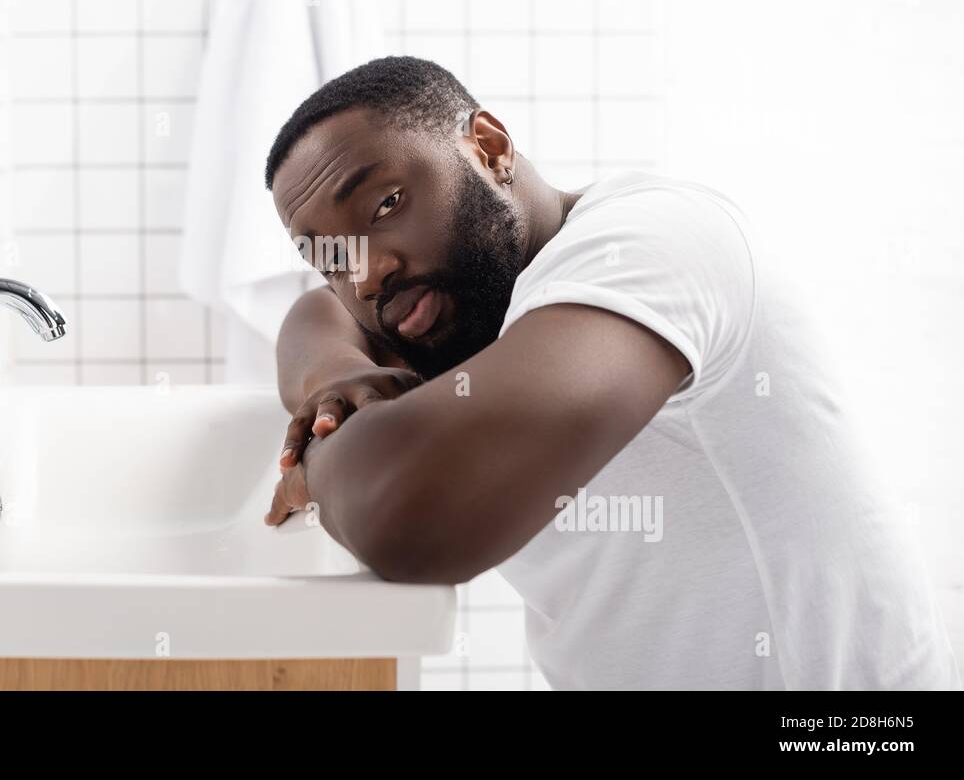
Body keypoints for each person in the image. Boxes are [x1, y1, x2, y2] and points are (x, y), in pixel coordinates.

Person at [261, 55, 960, 690]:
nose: (368, 273)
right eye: (332, 256)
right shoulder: (449, 304)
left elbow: (412, 519)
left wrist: (315, 455)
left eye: (386, 205)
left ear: (489, 148)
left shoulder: (647, 244)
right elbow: (315, 318)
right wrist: (332, 385)